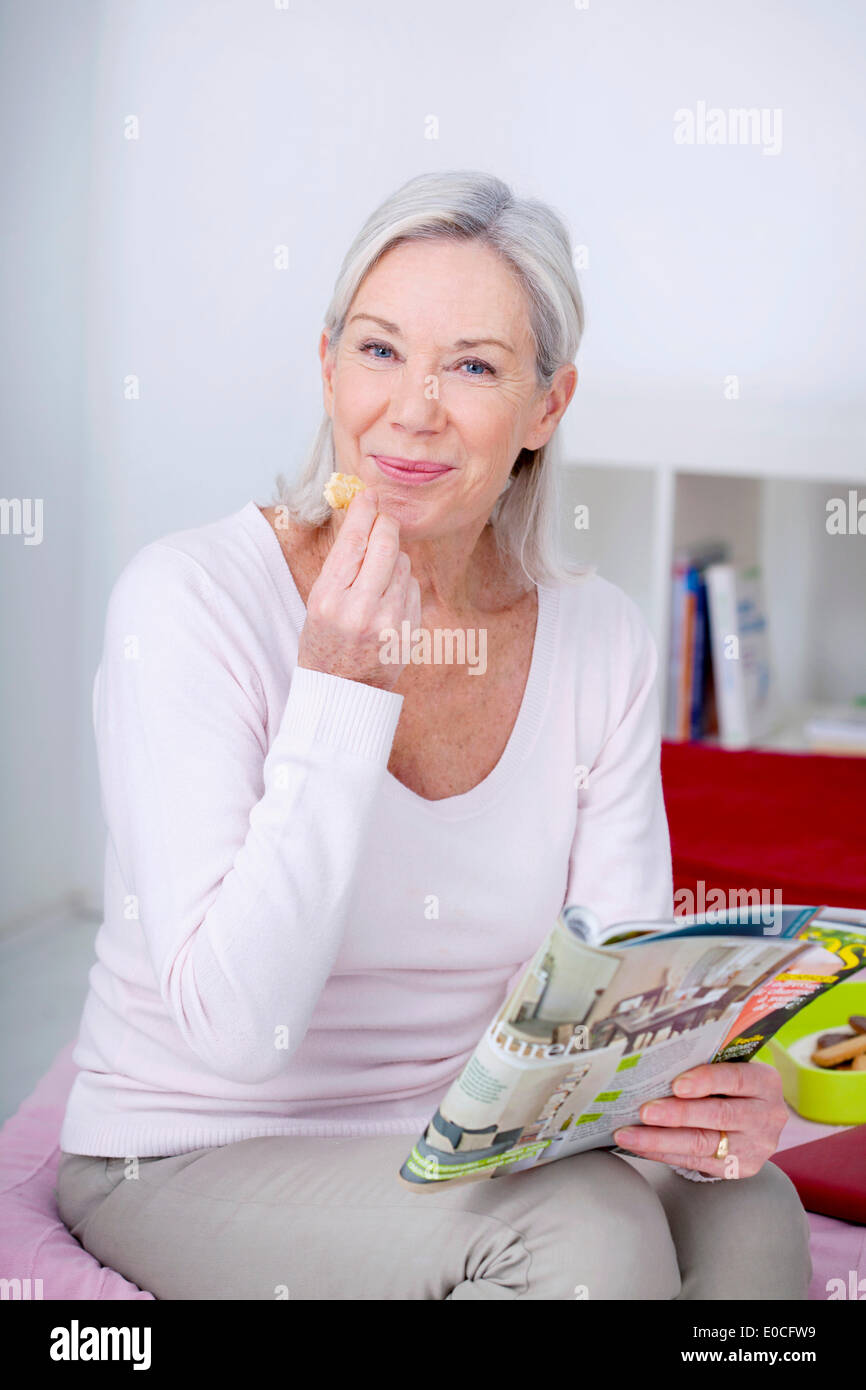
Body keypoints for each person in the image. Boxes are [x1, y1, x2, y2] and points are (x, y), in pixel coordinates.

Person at [55, 170, 811, 1300]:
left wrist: (705, 1088)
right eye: (377, 351)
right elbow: (233, 1032)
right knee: (584, 1240)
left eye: (471, 365)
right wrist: (339, 693)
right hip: (192, 1142)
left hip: (468, 1144)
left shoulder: (596, 635)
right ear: (325, 367)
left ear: (545, 408)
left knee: (750, 1210)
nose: (412, 407)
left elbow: (617, 993)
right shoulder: (188, 600)